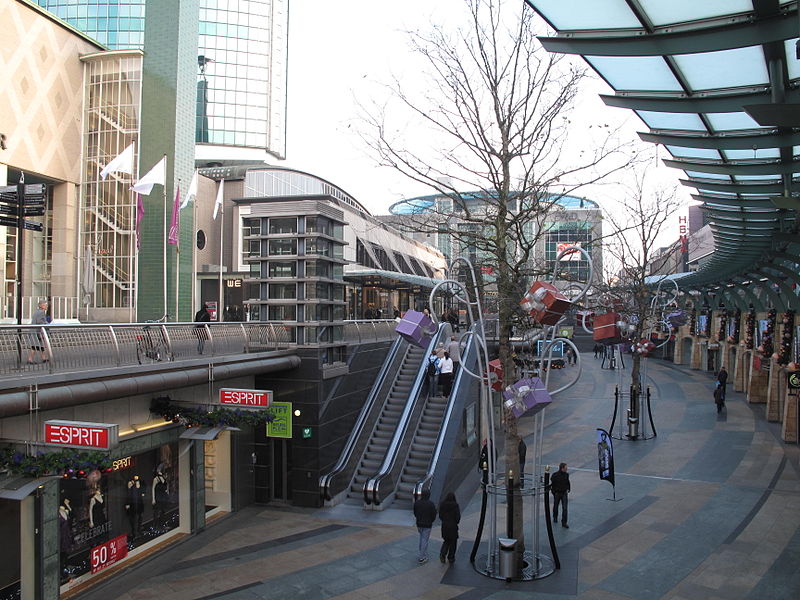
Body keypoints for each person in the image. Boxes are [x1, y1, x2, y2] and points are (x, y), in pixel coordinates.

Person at [413, 489, 437, 564]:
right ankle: (422, 556)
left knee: (422, 537)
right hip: (427, 524)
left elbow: (415, 513)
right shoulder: (431, 504)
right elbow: (434, 514)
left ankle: (422, 552)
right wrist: (431, 521)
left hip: (419, 523)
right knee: (424, 539)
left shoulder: (417, 503)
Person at [438, 492, 461, 564]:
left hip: (444, 526)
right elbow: (458, 517)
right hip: (453, 526)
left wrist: (444, 520)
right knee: (453, 543)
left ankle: (443, 553)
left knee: (446, 541)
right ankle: (451, 557)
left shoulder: (442, 505)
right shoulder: (455, 505)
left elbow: (440, 515)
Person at [551, 462, 570, 528]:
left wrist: (568, 489)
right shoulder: (555, 475)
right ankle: (555, 516)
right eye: (565, 468)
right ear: (562, 468)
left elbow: (568, 482)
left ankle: (564, 522)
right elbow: (552, 484)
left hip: (564, 493)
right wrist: (554, 492)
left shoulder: (566, 475)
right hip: (557, 493)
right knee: (556, 506)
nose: (566, 469)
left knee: (565, 508)